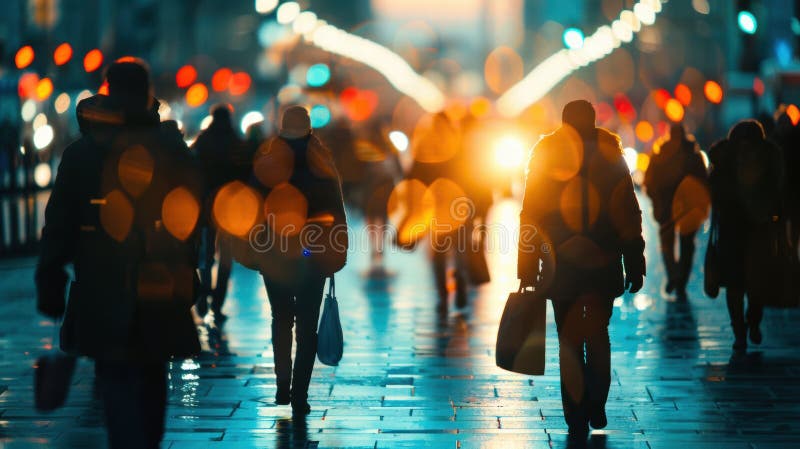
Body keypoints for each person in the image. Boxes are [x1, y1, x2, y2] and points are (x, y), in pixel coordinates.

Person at [35, 59, 202, 449]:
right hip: (160, 287)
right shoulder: (170, 148)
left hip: (102, 286)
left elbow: (59, 224)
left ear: (108, 90)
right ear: (148, 93)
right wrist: (188, 267)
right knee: (151, 381)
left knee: (116, 384)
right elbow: (194, 215)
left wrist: (50, 279)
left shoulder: (84, 152)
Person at [518, 100, 645, 441]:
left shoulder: (545, 156)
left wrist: (527, 265)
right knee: (598, 333)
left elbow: (531, 214)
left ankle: (575, 413)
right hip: (603, 259)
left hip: (561, 262)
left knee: (569, 340)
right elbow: (628, 214)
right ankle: (597, 401)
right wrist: (635, 259)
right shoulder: (611, 157)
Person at [251, 106, 347, 415]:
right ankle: (300, 395)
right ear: (308, 129)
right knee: (307, 327)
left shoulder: (267, 161)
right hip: (312, 254)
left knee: (281, 318)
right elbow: (336, 211)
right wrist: (337, 249)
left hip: (274, 253)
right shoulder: (322, 162)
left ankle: (282, 385)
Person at [708, 120, 784, 351]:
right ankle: (751, 324)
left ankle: (740, 331)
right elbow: (778, 190)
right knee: (755, 282)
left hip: (732, 229)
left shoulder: (724, 158)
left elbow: (714, 189)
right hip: (758, 227)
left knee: (735, 284)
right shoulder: (768, 158)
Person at [192, 105, 246, 321]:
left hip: (206, 205)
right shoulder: (236, 142)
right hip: (230, 208)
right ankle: (217, 302)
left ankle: (204, 294)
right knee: (226, 256)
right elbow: (245, 174)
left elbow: (193, 169)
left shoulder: (203, 141)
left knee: (206, 255)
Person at [644, 123, 709, 300]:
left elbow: (649, 182)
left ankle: (676, 277)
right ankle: (678, 278)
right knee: (684, 245)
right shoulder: (693, 156)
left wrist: (656, 198)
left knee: (672, 244)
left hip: (674, 208)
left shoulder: (661, 155)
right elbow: (703, 181)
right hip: (681, 208)